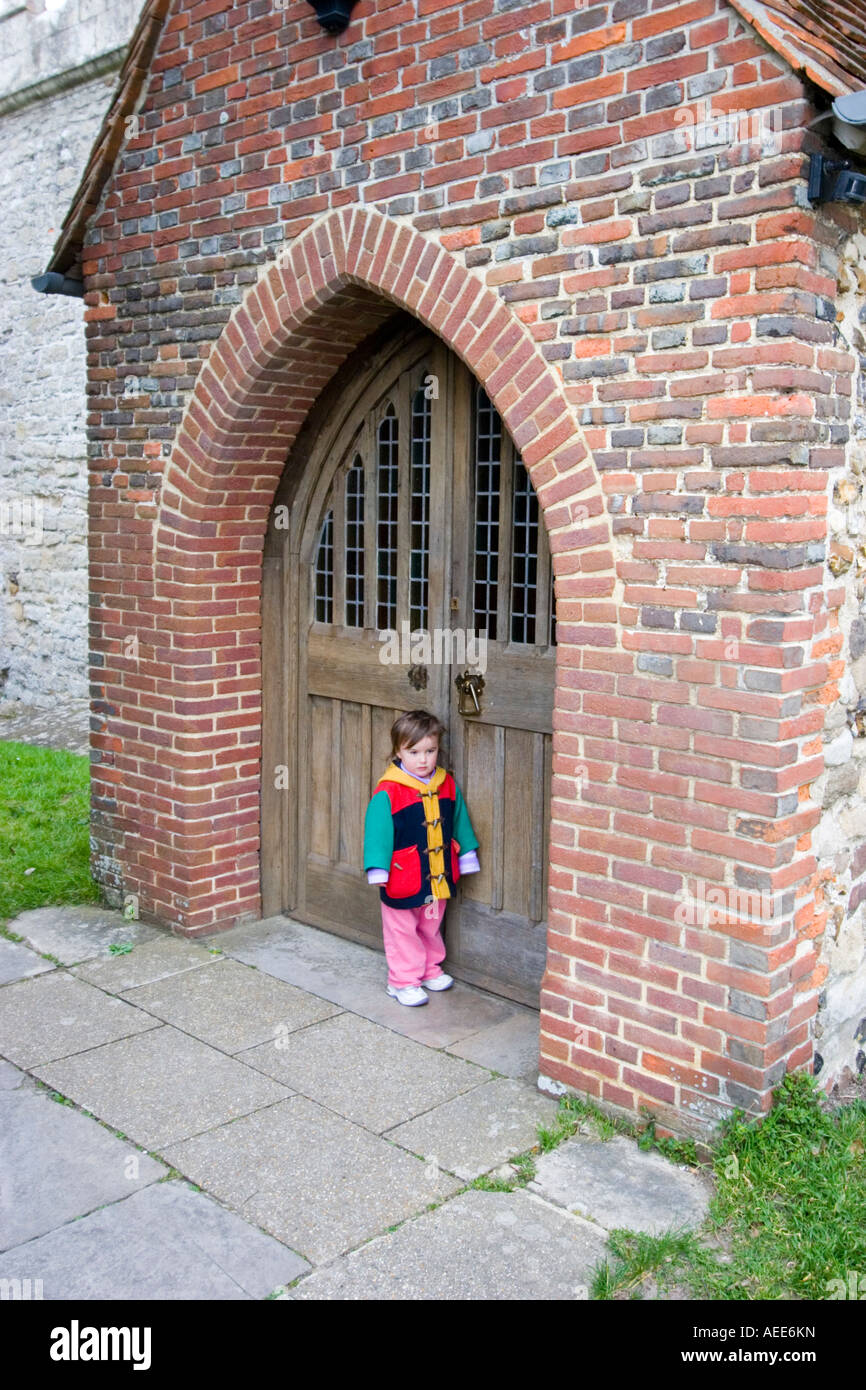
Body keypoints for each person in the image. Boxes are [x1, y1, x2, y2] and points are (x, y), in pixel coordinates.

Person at [363, 709, 480, 1006]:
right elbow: (377, 831)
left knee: (430, 924)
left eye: (430, 751)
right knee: (401, 929)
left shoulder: (445, 784)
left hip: (437, 873)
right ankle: (402, 981)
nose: (423, 759)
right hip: (403, 874)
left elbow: (460, 819)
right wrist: (378, 868)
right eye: (413, 752)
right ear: (398, 751)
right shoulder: (388, 791)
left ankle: (429, 969)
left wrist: (466, 853)